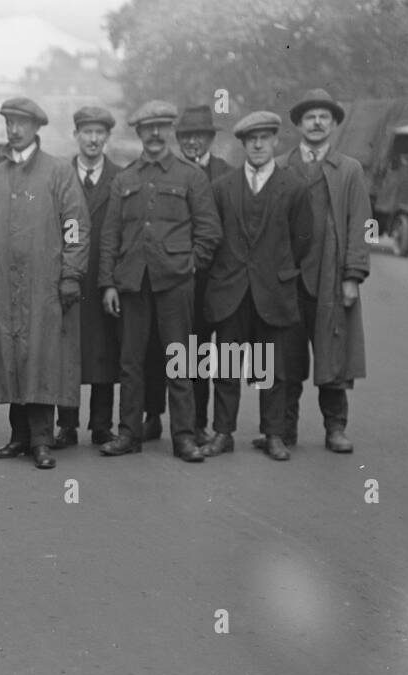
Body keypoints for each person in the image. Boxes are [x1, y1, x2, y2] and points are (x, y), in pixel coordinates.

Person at [0, 97, 87, 470]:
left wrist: (70, 274)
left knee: (41, 358)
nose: (14, 130)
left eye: (22, 123)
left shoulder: (58, 172)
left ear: (37, 127)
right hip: (2, 286)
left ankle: (41, 440)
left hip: (44, 284)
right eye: (9, 122)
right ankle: (18, 437)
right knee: (9, 358)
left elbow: (75, 227)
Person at [98, 100, 222, 462]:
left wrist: (189, 267)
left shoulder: (191, 176)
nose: (154, 134)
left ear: (170, 131)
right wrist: (108, 283)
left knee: (179, 360)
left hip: (175, 283)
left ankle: (183, 436)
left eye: (161, 127)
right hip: (133, 283)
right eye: (147, 128)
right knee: (130, 361)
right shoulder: (125, 179)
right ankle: (128, 434)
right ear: (138, 133)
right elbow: (110, 236)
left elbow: (209, 232)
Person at [201, 111, 312, 461]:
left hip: (273, 292)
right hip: (232, 291)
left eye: (265, 138)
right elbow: (213, 238)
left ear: (276, 141)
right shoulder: (222, 188)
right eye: (252, 140)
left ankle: (274, 434)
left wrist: (275, 269)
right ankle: (223, 433)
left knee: (273, 370)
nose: (259, 145)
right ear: (243, 145)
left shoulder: (293, 187)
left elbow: (303, 240)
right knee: (228, 367)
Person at [273, 88, 370, 454]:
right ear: (298, 124)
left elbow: (361, 224)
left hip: (329, 278)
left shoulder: (349, 170)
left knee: (333, 356)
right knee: (287, 357)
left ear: (333, 125)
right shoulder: (280, 167)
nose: (316, 123)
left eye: (323, 117)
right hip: (288, 280)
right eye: (309, 117)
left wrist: (352, 276)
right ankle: (284, 428)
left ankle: (335, 427)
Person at [56, 105, 119, 447]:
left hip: (104, 276)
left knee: (103, 349)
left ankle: (101, 424)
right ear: (76, 135)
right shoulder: (59, 175)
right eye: (87, 132)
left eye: (99, 133)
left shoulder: (120, 178)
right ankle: (66, 424)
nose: (93, 139)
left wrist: (113, 279)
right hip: (68, 275)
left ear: (107, 137)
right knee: (67, 349)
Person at [175, 104, 234, 443]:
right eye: (185, 136)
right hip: (184, 281)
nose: (193, 142)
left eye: (199, 135)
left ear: (211, 138)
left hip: (221, 280)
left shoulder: (227, 173)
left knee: (224, 358)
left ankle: (223, 428)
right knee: (187, 355)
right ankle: (192, 423)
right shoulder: (170, 172)